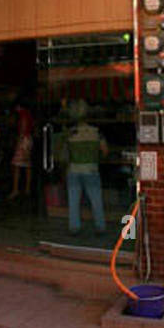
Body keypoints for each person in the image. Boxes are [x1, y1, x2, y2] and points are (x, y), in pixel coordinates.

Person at [61, 99, 105, 235]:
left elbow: (64, 154)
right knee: (96, 199)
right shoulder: (96, 132)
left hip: (74, 169)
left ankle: (74, 227)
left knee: (73, 200)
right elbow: (105, 150)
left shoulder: (70, 133)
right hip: (91, 169)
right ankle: (100, 226)